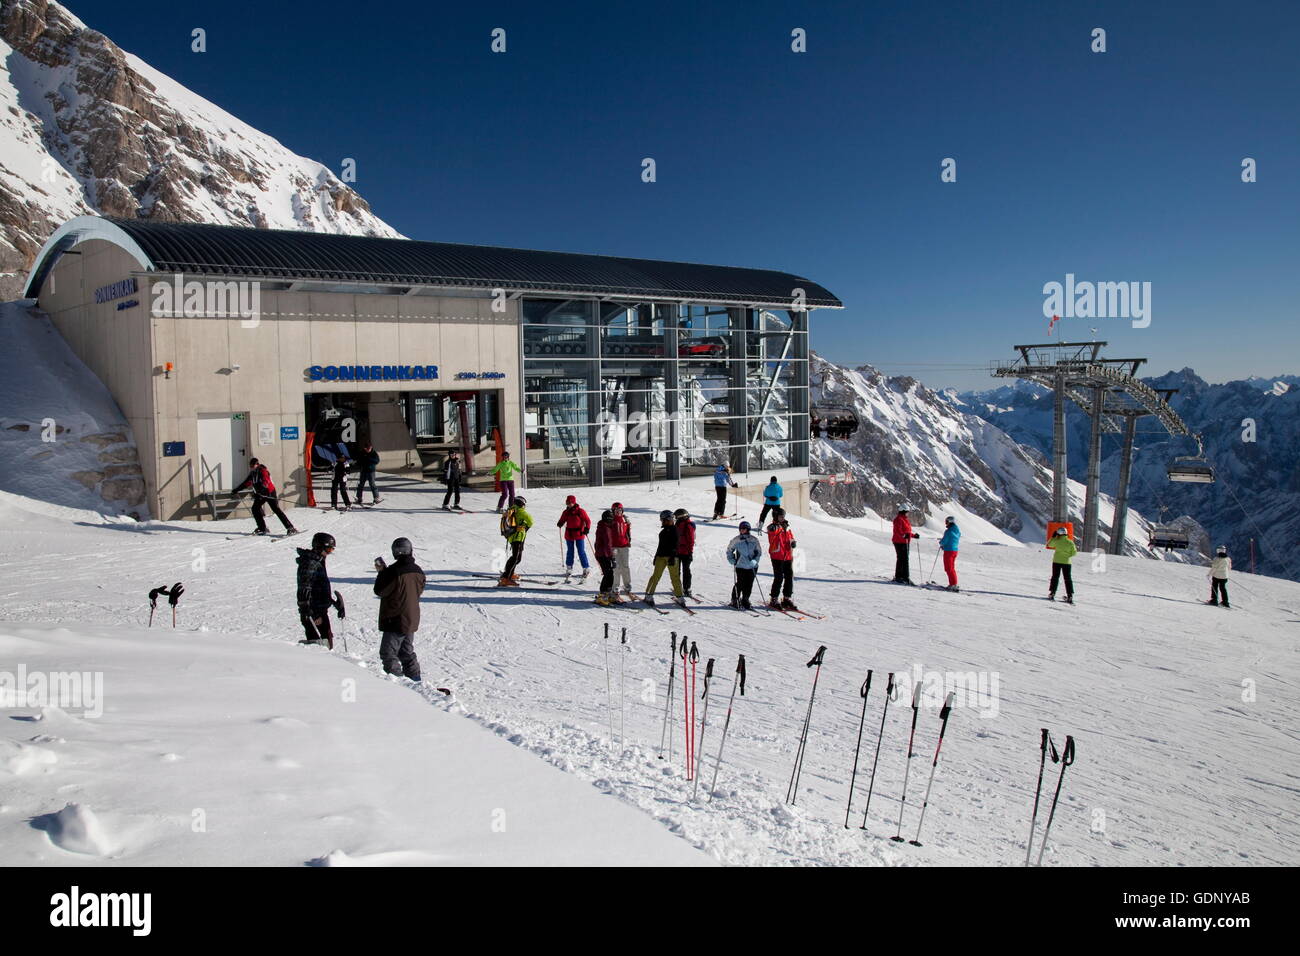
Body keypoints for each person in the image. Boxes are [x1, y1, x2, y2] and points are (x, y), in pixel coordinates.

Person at [372, 537, 425, 680]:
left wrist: (382, 572)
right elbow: (419, 591)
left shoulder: (393, 571)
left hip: (395, 618)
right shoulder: (418, 571)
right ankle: (416, 681)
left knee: (388, 653)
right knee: (406, 652)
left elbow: (380, 590)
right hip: (411, 617)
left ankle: (399, 684)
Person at [234, 458, 298, 535]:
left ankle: (290, 528)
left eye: (252, 465)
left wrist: (260, 491)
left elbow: (265, 482)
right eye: (250, 466)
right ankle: (262, 528)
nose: (251, 467)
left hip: (269, 493)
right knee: (255, 508)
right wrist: (236, 490)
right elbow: (246, 483)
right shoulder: (253, 473)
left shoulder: (263, 471)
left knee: (276, 509)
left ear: (257, 464)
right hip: (260, 494)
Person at [296, 532, 336, 645]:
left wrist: (333, 603)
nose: (329, 553)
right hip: (313, 613)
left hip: (319, 610)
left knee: (327, 645)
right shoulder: (310, 564)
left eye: (331, 550)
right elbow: (304, 589)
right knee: (321, 648)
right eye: (328, 550)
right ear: (319, 547)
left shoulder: (317, 562)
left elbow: (318, 588)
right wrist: (312, 614)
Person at [643, 509, 684, 606]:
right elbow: (660, 546)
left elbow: (676, 545)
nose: (663, 522)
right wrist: (656, 556)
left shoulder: (675, 531)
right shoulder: (663, 532)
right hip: (661, 557)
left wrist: (673, 557)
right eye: (662, 520)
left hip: (672, 557)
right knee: (656, 576)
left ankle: (680, 598)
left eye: (664, 520)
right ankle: (648, 596)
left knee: (675, 577)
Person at [726, 520, 763, 610]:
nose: (743, 530)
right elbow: (729, 550)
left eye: (745, 529)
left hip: (752, 566)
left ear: (748, 529)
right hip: (740, 565)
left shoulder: (754, 539)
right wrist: (731, 559)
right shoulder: (736, 539)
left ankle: (745, 599)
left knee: (749, 584)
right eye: (741, 529)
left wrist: (755, 561)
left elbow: (758, 552)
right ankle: (734, 599)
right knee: (740, 583)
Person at [766, 507, 798, 610]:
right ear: (775, 516)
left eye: (783, 516)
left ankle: (786, 598)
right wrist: (777, 527)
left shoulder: (786, 526)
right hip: (777, 556)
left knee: (789, 576)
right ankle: (774, 599)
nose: (782, 518)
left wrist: (792, 541)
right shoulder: (773, 527)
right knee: (779, 577)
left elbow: (791, 536)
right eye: (780, 516)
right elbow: (771, 531)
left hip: (787, 555)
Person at [498, 495, 533, 586]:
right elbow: (531, 521)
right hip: (518, 538)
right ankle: (506, 578)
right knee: (515, 558)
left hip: (512, 537)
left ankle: (510, 574)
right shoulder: (521, 511)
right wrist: (525, 528)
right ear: (522, 504)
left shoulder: (510, 509)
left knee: (516, 558)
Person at [557, 494, 592, 582]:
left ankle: (586, 568)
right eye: (567, 503)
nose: (569, 504)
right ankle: (569, 568)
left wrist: (587, 528)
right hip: (569, 534)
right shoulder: (566, 512)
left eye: (570, 503)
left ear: (574, 502)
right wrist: (560, 523)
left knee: (581, 551)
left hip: (579, 534)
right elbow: (562, 519)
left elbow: (587, 520)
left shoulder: (580, 511)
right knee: (570, 551)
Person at [593, 510, 618, 606]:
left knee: (610, 573)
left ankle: (607, 594)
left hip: (603, 554)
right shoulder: (605, 528)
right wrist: (612, 557)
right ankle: (602, 596)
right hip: (604, 555)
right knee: (608, 574)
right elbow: (607, 544)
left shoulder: (604, 526)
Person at [1047, 526, 1077, 603]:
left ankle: (1052, 593)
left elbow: (1049, 545)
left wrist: (1053, 537)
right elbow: (1074, 553)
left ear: (1059, 533)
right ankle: (1070, 595)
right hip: (1067, 563)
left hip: (1056, 561)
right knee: (1068, 579)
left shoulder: (1056, 541)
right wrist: (1067, 556)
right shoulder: (1070, 542)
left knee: (1055, 577)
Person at [611, 502, 633, 598]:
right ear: (613, 511)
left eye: (619, 510)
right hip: (614, 547)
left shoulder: (625, 519)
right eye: (616, 510)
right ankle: (615, 586)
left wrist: (629, 540)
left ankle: (627, 584)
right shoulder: (611, 520)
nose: (618, 512)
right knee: (616, 567)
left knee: (625, 566)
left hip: (624, 546)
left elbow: (628, 531)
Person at [892, 506, 919, 584]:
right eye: (907, 512)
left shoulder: (904, 519)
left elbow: (907, 532)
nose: (908, 513)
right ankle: (904, 577)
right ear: (903, 511)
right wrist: (904, 536)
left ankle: (901, 577)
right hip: (899, 542)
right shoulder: (898, 519)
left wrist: (913, 536)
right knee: (903, 559)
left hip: (905, 541)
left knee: (903, 559)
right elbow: (898, 531)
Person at [674, 508, 696, 598]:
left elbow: (691, 540)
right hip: (677, 552)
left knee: (686, 570)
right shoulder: (678, 524)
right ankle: (678, 587)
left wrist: (690, 552)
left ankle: (687, 588)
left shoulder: (688, 525)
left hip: (686, 552)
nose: (675, 518)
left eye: (676, 517)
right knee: (676, 571)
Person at [939, 516, 961, 591]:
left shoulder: (948, 531)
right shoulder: (957, 530)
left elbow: (944, 540)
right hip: (954, 550)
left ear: (950, 522)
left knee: (948, 568)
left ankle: (953, 584)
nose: (946, 523)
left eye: (947, 522)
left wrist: (941, 543)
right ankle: (953, 583)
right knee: (951, 568)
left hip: (948, 551)